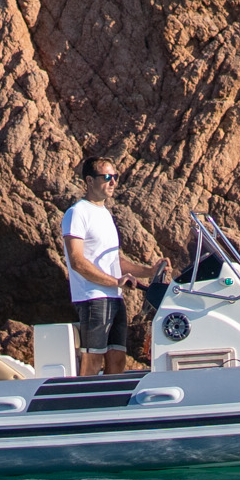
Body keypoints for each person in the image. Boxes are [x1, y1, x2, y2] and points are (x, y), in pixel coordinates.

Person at [61, 156, 169, 376]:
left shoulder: (105, 214)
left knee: (118, 359)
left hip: (114, 297)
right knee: (93, 360)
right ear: (89, 180)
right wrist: (115, 282)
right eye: (107, 177)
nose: (113, 182)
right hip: (93, 298)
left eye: (115, 177)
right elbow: (77, 261)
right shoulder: (77, 213)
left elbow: (115, 261)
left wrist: (149, 271)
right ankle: (85, 396)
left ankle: (112, 397)